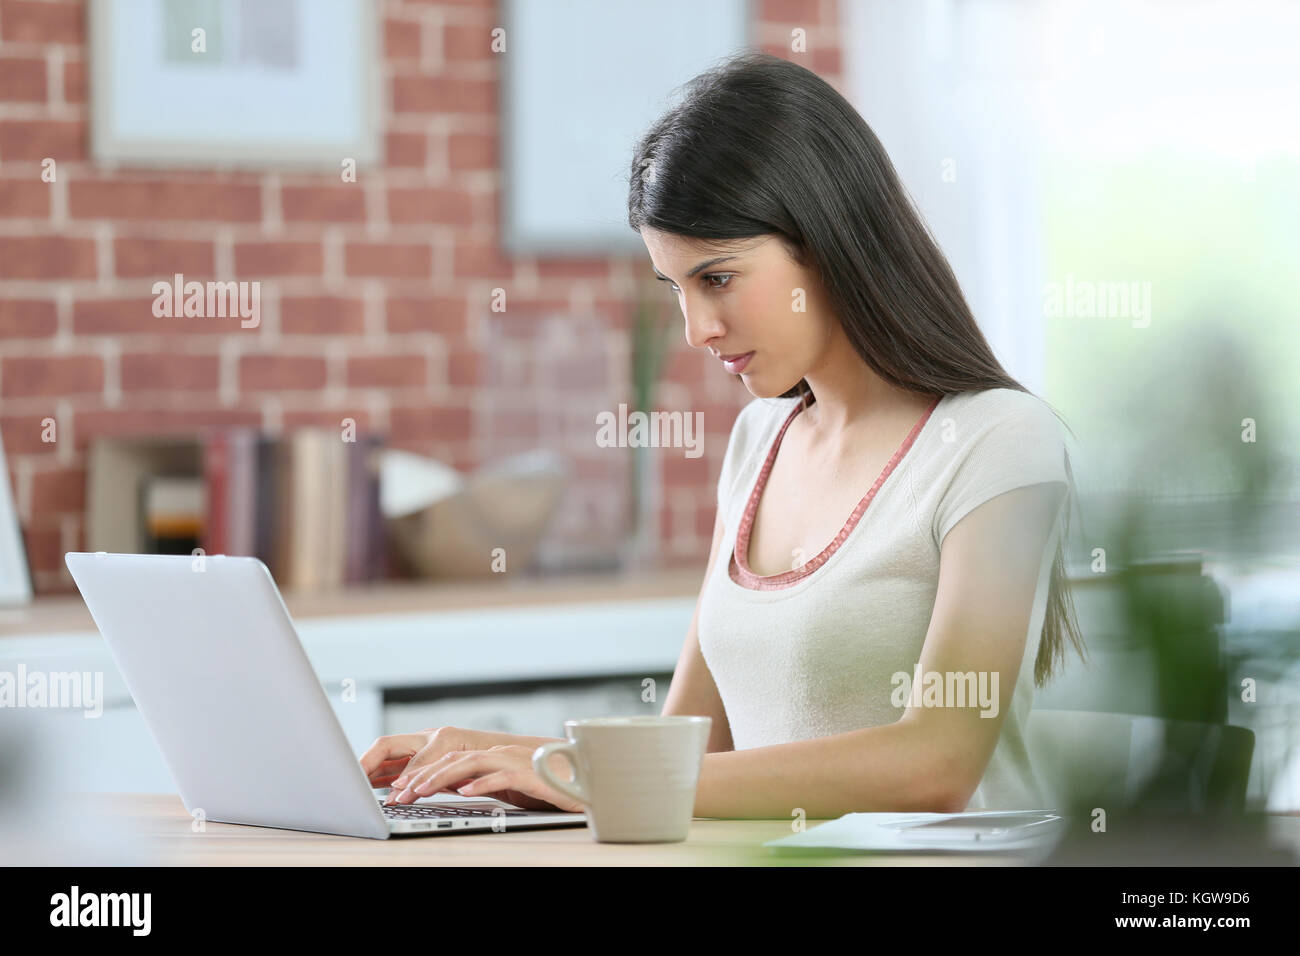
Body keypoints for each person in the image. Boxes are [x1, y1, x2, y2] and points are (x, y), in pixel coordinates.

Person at [361, 51, 1086, 818]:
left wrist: (581, 770)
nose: (696, 330)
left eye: (717, 278)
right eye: (674, 289)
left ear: (827, 238)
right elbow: (688, 753)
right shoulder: (757, 442)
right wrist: (509, 762)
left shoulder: (998, 440)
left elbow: (937, 765)